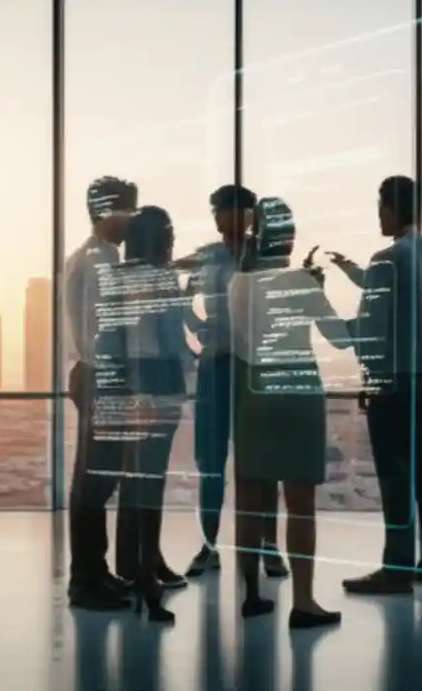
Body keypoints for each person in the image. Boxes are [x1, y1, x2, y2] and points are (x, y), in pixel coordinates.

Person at [228, 198, 350, 629]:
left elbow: (241, 345)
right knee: (300, 504)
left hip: (254, 394)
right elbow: (341, 340)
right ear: (290, 237)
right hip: (297, 393)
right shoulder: (302, 280)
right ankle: (303, 601)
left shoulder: (237, 284)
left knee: (252, 501)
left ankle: (251, 595)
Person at [328, 175, 422, 594]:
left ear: (393, 209)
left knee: (395, 476)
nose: (377, 215)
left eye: (380, 206)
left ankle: (397, 567)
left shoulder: (387, 258)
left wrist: (319, 306)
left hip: (395, 379)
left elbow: (367, 328)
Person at [177, 184, 288, 579]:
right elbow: (182, 297)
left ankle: (270, 547)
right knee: (211, 461)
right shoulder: (208, 257)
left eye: (233, 211)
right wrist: (197, 335)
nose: (224, 218)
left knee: (262, 462)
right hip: (216, 367)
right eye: (220, 211)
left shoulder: (265, 255)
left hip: (254, 367)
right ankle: (209, 546)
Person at [110, 205, 195, 623]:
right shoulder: (162, 278)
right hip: (160, 382)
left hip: (128, 384)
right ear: (161, 238)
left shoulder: (118, 278)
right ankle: (147, 578)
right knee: (152, 483)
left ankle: (138, 573)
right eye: (170, 232)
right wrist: (194, 369)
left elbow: (111, 335)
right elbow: (172, 339)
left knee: (135, 479)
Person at [65, 175, 137, 610]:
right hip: (102, 375)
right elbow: (104, 330)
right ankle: (86, 580)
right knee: (94, 482)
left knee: (96, 479)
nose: (132, 218)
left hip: (93, 374)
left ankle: (95, 572)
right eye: (128, 210)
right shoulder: (99, 262)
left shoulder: (96, 257)